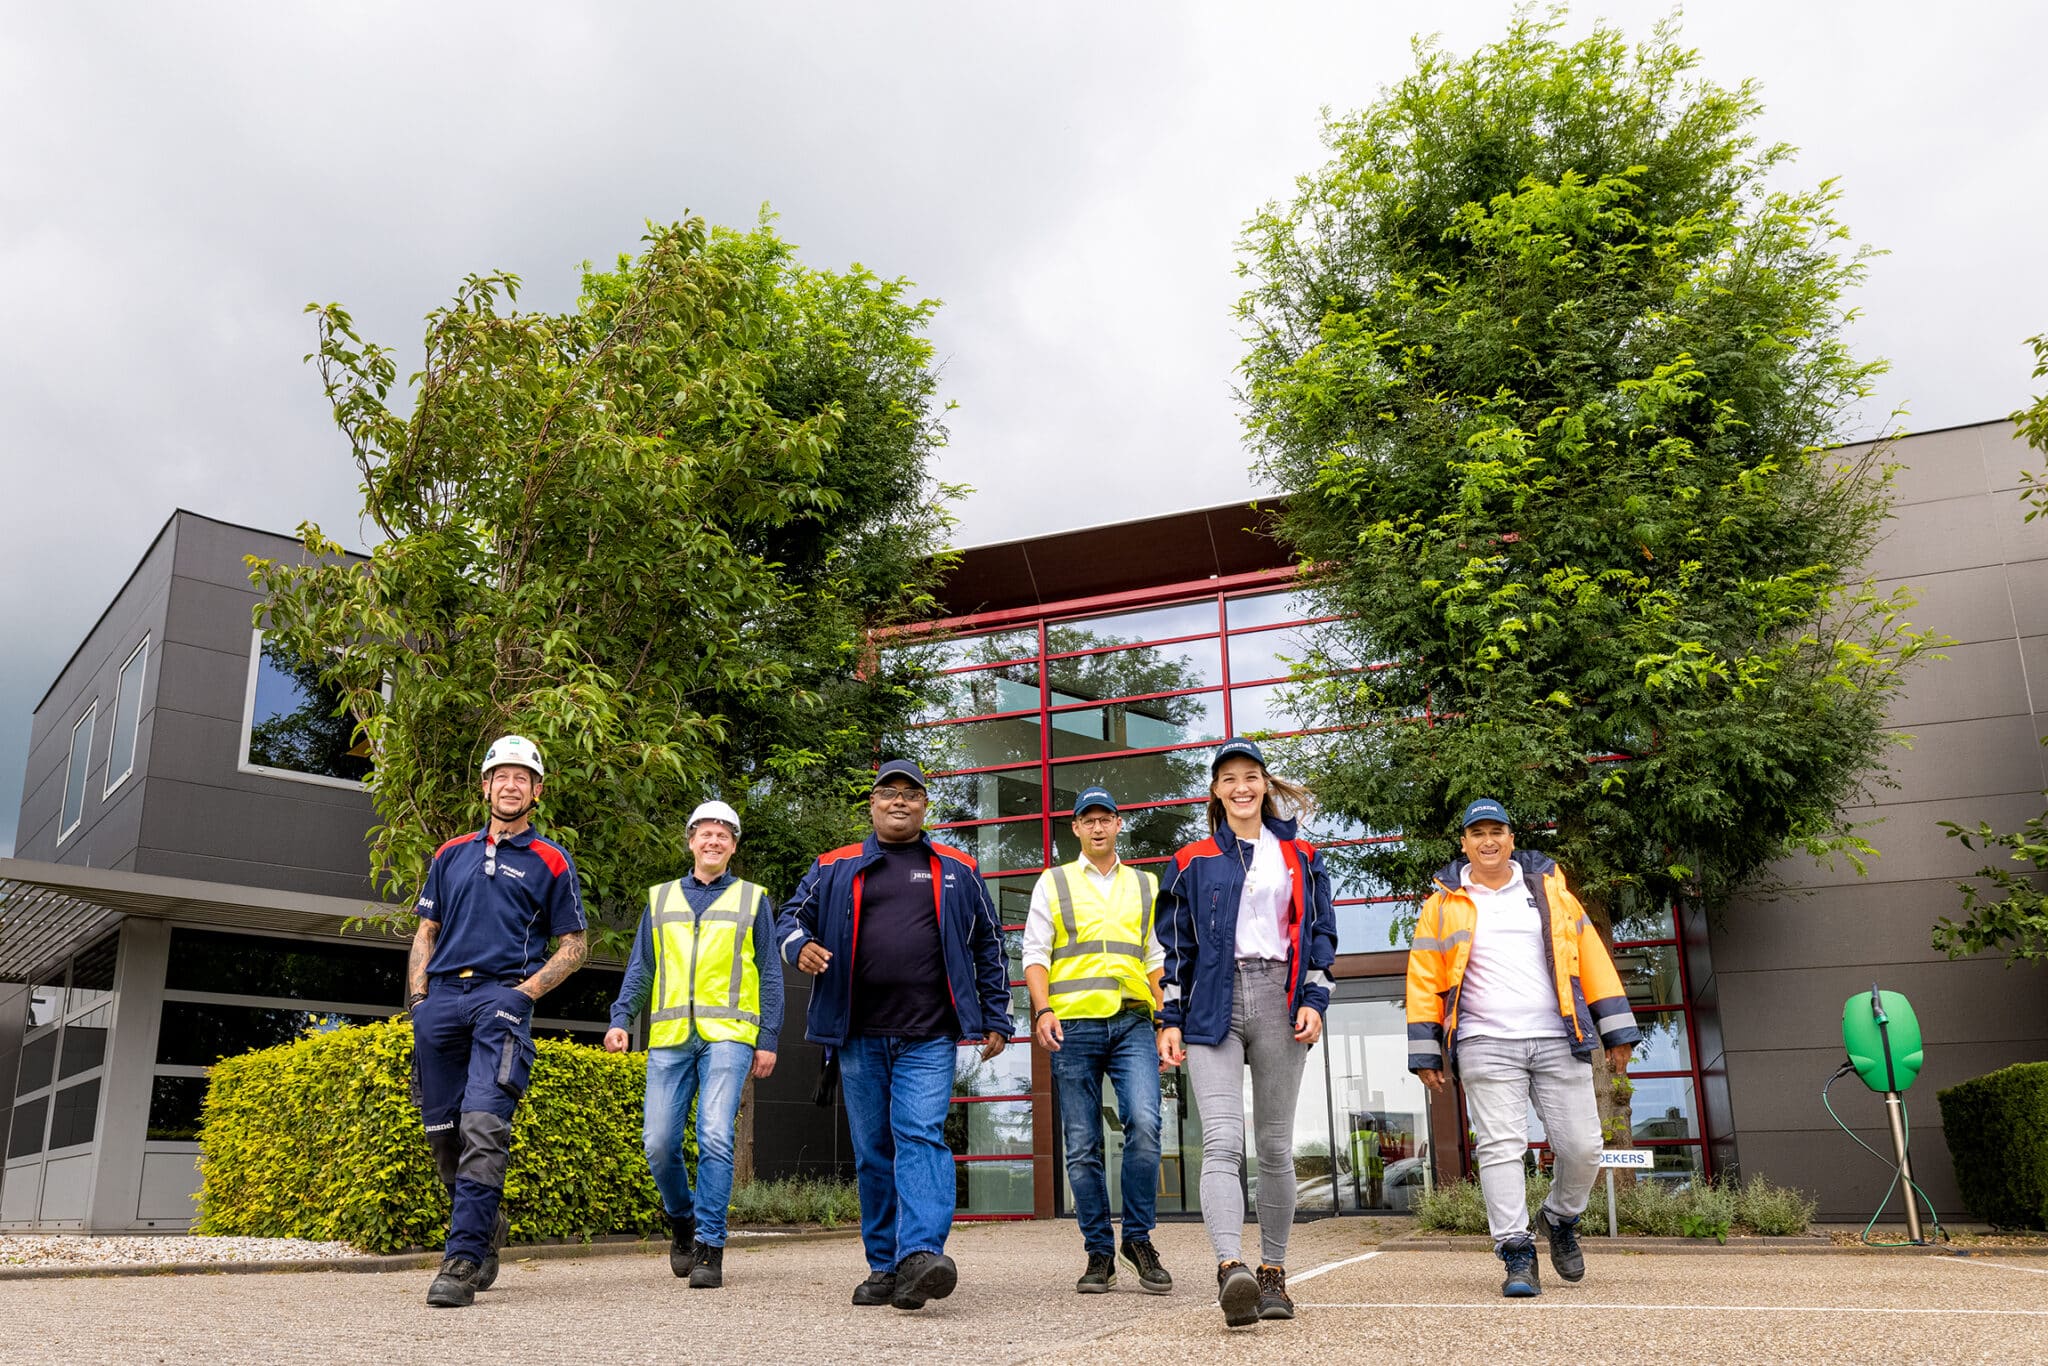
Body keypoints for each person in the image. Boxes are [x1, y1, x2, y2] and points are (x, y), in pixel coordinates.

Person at [777, 759, 1014, 1312]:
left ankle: (920, 1255)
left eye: (911, 793)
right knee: (873, 1151)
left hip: (929, 1034)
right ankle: (885, 1267)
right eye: (889, 792)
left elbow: (988, 943)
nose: (899, 801)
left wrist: (996, 1015)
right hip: (856, 1032)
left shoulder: (958, 868)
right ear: (873, 804)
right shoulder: (834, 865)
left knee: (920, 1136)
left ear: (925, 805)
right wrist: (798, 946)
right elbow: (788, 919)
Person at [1405, 798, 1641, 1297]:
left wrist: (1617, 1031)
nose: (1488, 841)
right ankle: (1516, 1250)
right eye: (1477, 833)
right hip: (1484, 1040)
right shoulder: (1441, 905)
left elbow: (1592, 959)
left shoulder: (1551, 892)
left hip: (1558, 1036)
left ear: (1511, 839)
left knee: (1583, 1147)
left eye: (1497, 831)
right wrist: (1426, 1052)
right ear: (1464, 843)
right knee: (1501, 1146)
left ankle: (1560, 1217)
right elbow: (1424, 979)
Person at [1157, 738, 1337, 1329]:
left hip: (1280, 997)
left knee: (1276, 1146)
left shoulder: (1301, 853)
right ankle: (1230, 1266)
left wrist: (1314, 999)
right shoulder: (1192, 860)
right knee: (1222, 1142)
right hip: (1212, 1002)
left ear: (1265, 784)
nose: (1241, 787)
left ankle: (1273, 1273)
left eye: (1251, 776)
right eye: (1229, 778)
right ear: (1216, 790)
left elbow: (1320, 934)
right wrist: (1169, 1018)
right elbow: (1175, 947)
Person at [406, 734, 589, 1309]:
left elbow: (575, 944)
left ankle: (461, 1261)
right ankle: (485, 1225)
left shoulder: (552, 860)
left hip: (499, 1003)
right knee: (443, 1137)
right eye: (501, 776)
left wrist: (522, 996)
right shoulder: (449, 854)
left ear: (537, 791)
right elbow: (427, 931)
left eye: (522, 778)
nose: (511, 786)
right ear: (485, 786)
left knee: (484, 1126)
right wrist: (419, 999)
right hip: (440, 1003)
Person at [604, 798, 783, 1289]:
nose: (714, 840)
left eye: (723, 835)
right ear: (691, 841)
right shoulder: (661, 899)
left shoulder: (753, 900)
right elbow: (642, 967)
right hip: (670, 1037)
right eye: (706, 832)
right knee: (659, 1142)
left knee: (715, 1135)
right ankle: (682, 1219)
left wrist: (768, 1036)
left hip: (729, 1036)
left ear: (733, 847)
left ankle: (709, 1246)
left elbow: (770, 972)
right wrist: (621, 1018)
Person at [1023, 785, 1172, 1297]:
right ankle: (1099, 1253)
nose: (1098, 826)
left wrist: (1166, 1021)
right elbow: (1035, 954)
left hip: (1133, 1020)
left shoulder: (1145, 884)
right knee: (1082, 1143)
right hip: (1073, 1024)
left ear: (1118, 823)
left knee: (1146, 1125)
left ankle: (1138, 1240)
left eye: (1105, 817)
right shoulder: (1054, 881)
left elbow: (1155, 958)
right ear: (1076, 828)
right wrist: (1042, 1009)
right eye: (1088, 819)